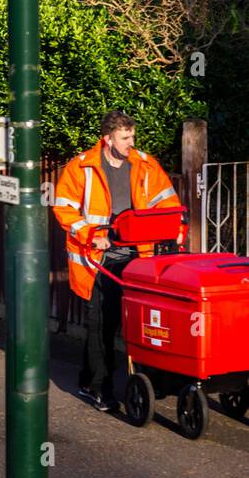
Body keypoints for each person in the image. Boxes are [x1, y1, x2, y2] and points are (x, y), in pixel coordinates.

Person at [52, 110, 181, 412]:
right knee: (101, 323)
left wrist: (172, 229)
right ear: (108, 139)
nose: (130, 143)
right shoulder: (81, 166)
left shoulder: (145, 165)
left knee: (143, 321)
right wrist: (91, 234)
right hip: (98, 256)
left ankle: (99, 379)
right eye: (125, 138)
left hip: (140, 254)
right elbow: (64, 208)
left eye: (133, 137)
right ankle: (99, 388)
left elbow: (168, 202)